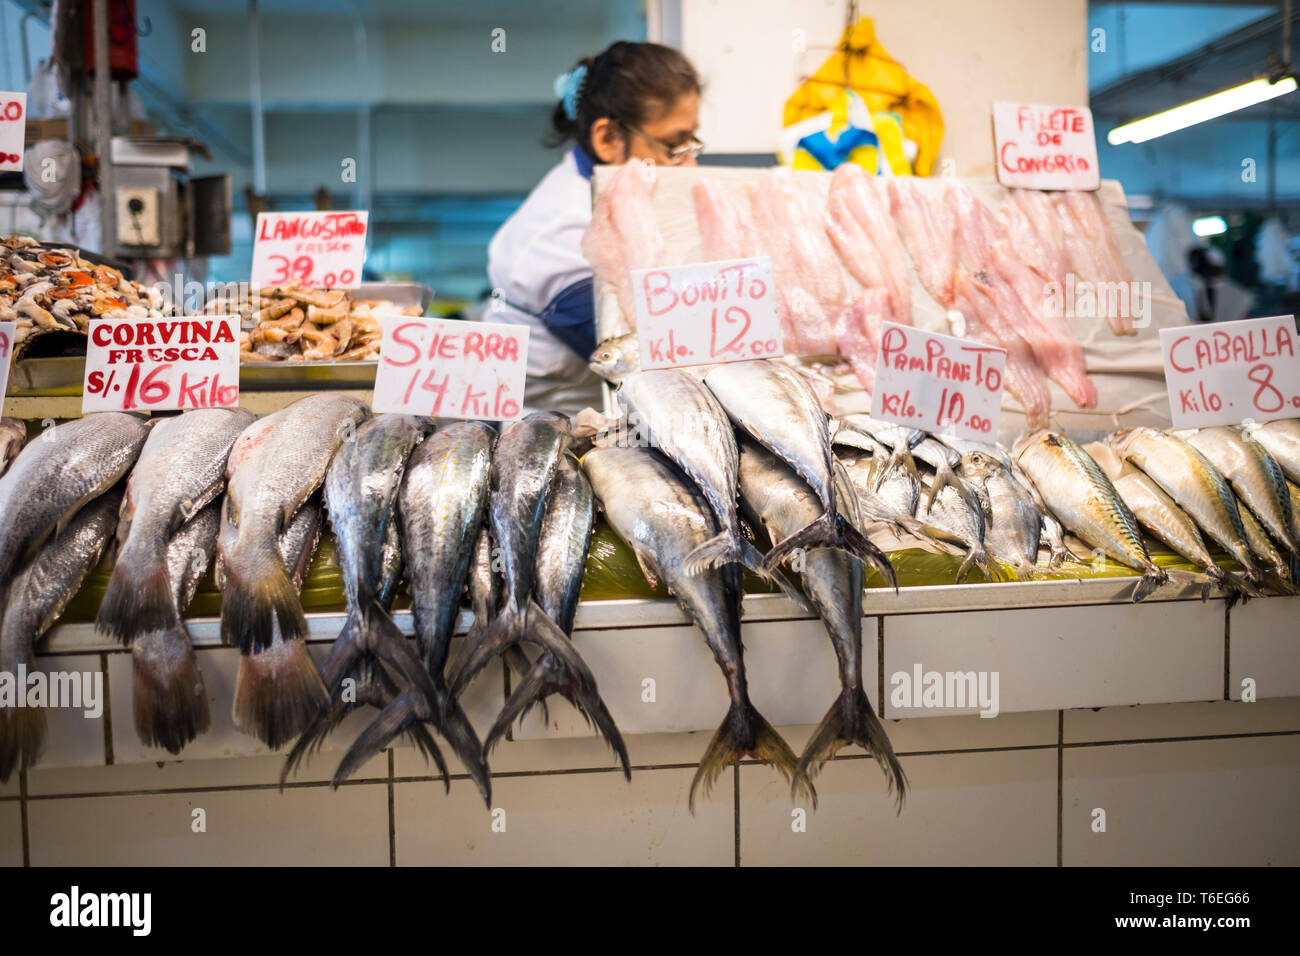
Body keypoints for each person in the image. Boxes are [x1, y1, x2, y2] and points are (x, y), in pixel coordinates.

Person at [487, 42, 702, 414]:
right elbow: (639, 354)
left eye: (691, 143)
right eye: (672, 146)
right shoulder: (559, 237)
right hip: (562, 439)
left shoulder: (625, 199)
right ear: (607, 139)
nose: (690, 167)